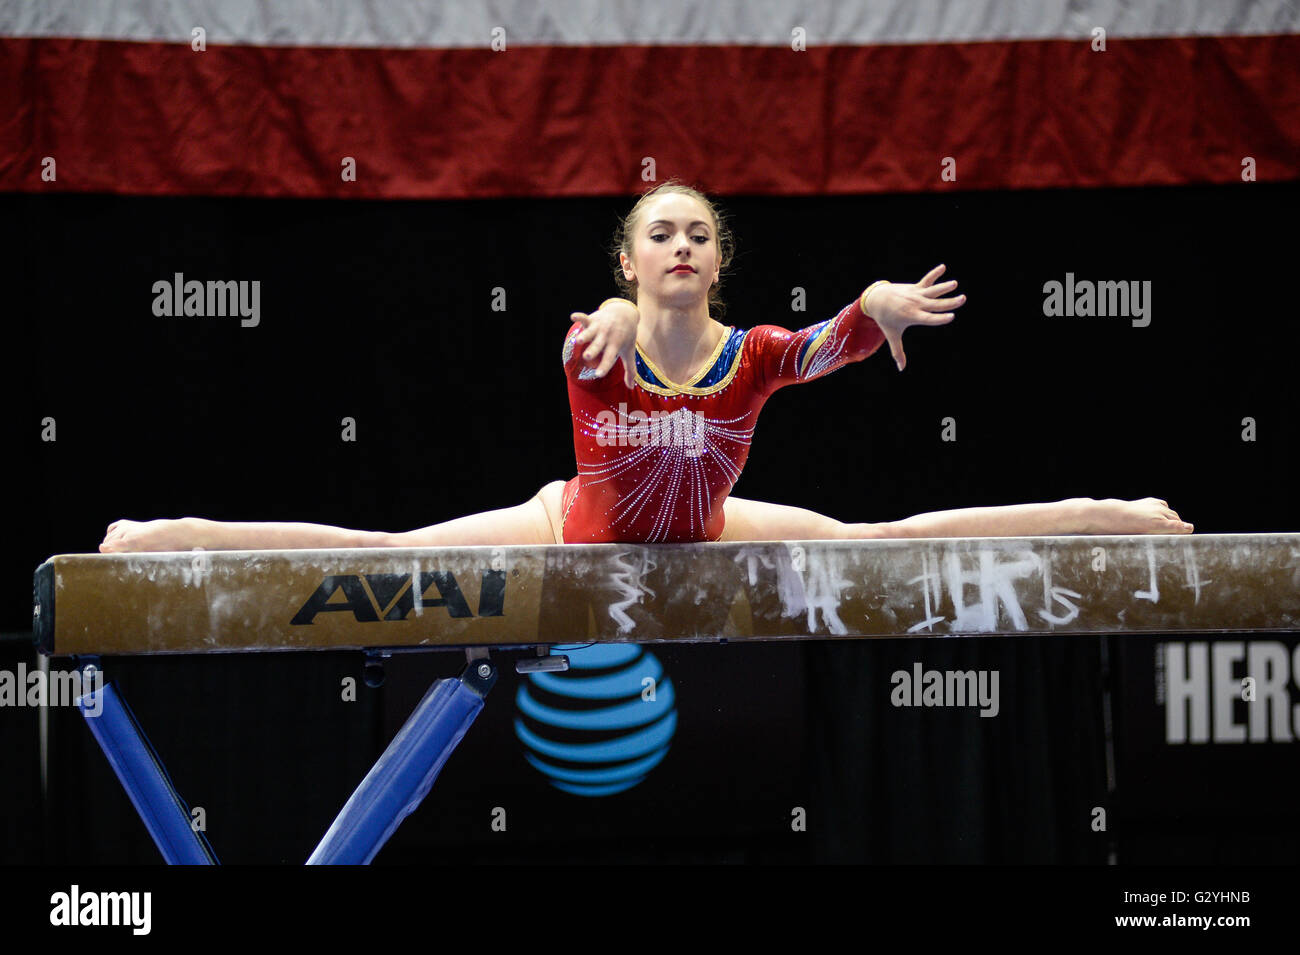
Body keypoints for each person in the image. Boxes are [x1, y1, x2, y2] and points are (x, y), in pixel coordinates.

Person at [99, 182, 1191, 554]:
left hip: (712, 536)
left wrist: (875, 306)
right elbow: (593, 341)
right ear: (628, 260)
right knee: (390, 556)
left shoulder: (755, 356)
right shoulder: (600, 337)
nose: (680, 247)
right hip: (571, 531)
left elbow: (824, 343)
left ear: (719, 261)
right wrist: (615, 314)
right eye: (657, 235)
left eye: (697, 236)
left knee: (880, 544)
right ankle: (173, 539)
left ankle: (1110, 510)